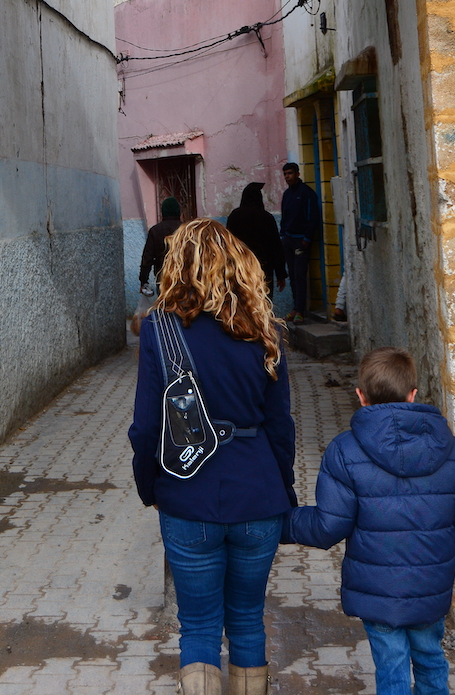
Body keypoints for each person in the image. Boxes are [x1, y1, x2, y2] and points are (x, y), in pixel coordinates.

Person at [129, 219, 296, 695]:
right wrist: (282, 492)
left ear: (177, 268)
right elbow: (281, 428)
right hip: (258, 495)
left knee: (199, 625)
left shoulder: (159, 331)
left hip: (188, 496)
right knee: (247, 619)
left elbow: (145, 429)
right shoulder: (265, 332)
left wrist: (151, 489)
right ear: (239, 265)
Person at [285, 347, 455, 695]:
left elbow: (328, 526)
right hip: (431, 588)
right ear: (413, 394)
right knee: (430, 658)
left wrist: (282, 523)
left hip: (378, 591)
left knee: (391, 667)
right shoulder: (453, 451)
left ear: (360, 396)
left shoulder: (345, 450)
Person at [226, 181, 286, 298]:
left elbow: (228, 245)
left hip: (241, 268)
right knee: (263, 301)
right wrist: (281, 275)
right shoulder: (267, 218)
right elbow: (276, 247)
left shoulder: (235, 216)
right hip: (263, 268)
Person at [279, 162, 320, 323]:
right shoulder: (287, 194)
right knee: (293, 275)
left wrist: (306, 239)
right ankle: (295, 308)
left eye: (290, 173)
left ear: (297, 174)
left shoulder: (307, 193)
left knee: (300, 275)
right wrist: (283, 235)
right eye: (285, 174)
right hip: (288, 240)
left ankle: (300, 310)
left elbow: (313, 218)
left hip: (300, 241)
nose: (287, 177)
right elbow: (284, 216)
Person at [138, 196, 182, 292]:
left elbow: (147, 259)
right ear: (179, 211)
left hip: (163, 278)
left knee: (165, 305)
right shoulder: (187, 229)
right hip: (185, 278)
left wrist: (143, 281)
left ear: (163, 212)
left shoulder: (155, 230)